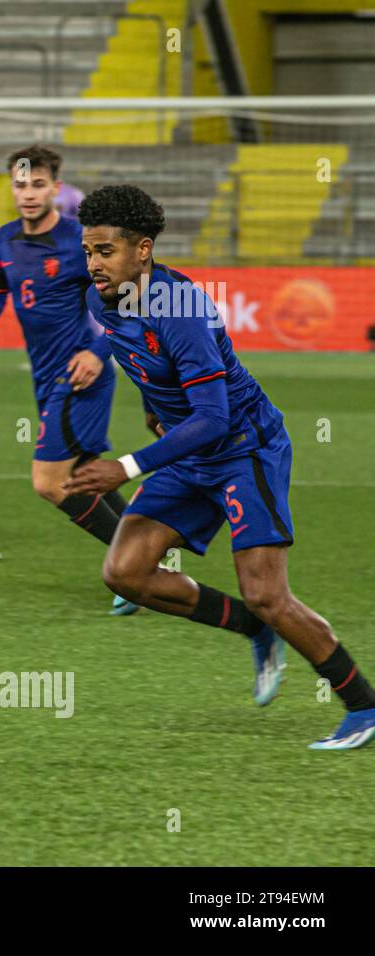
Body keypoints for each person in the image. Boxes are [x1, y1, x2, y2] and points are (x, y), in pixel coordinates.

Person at [68, 184, 375, 749]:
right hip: (189, 452)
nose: (93, 264)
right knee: (125, 574)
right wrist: (153, 411)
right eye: (88, 251)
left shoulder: (181, 310)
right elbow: (136, 356)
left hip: (242, 447)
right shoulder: (101, 299)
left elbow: (213, 417)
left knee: (268, 594)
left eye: (105, 251)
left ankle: (363, 706)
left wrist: (127, 467)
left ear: (142, 250)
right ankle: (252, 629)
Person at [0, 145, 138, 615]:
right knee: (88, 475)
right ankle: (151, 547)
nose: (28, 193)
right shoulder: (4, 239)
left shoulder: (80, 241)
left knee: (49, 482)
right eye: (21, 184)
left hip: (82, 372)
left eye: (38, 184)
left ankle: (133, 568)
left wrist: (97, 351)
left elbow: (125, 301)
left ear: (55, 189)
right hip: (46, 378)